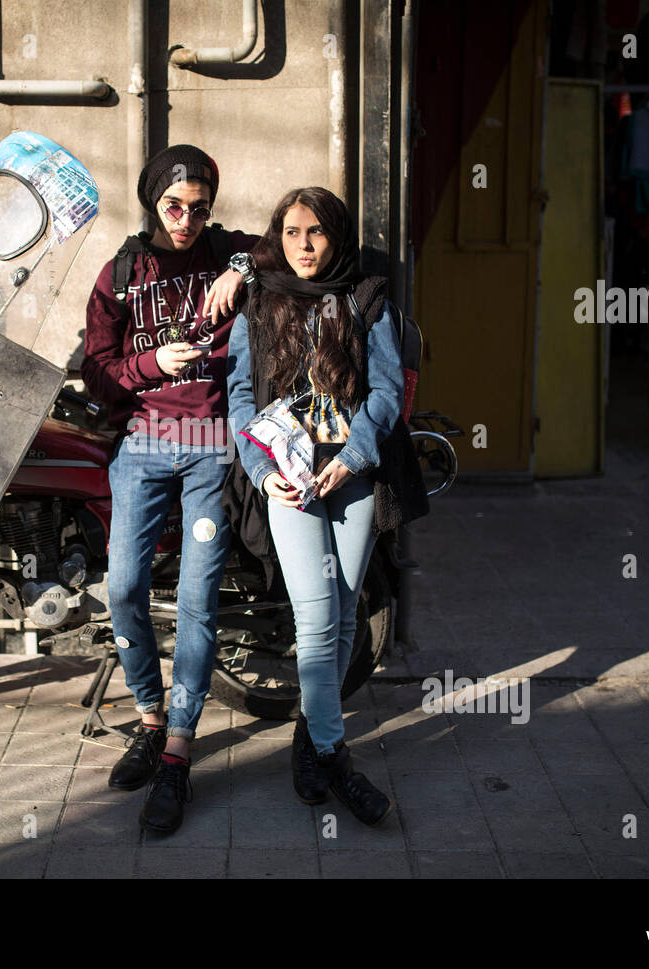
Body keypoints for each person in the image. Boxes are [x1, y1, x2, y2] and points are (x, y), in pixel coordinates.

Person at [226, 186, 427, 826]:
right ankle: (333, 753)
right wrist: (261, 470)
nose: (305, 245)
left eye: (316, 232)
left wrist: (354, 456)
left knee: (343, 614)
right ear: (277, 238)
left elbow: (387, 392)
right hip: (290, 480)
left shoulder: (367, 303)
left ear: (336, 237)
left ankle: (309, 743)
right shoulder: (258, 304)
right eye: (291, 233)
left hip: (353, 474)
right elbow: (238, 400)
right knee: (317, 619)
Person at [80, 145, 257, 834]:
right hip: (143, 448)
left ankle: (179, 748)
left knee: (195, 598)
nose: (187, 220)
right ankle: (150, 717)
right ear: (154, 200)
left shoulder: (224, 250)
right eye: (175, 206)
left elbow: (288, 243)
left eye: (201, 208)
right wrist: (152, 362)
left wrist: (238, 267)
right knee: (122, 586)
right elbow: (96, 370)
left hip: (211, 448)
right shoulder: (121, 272)